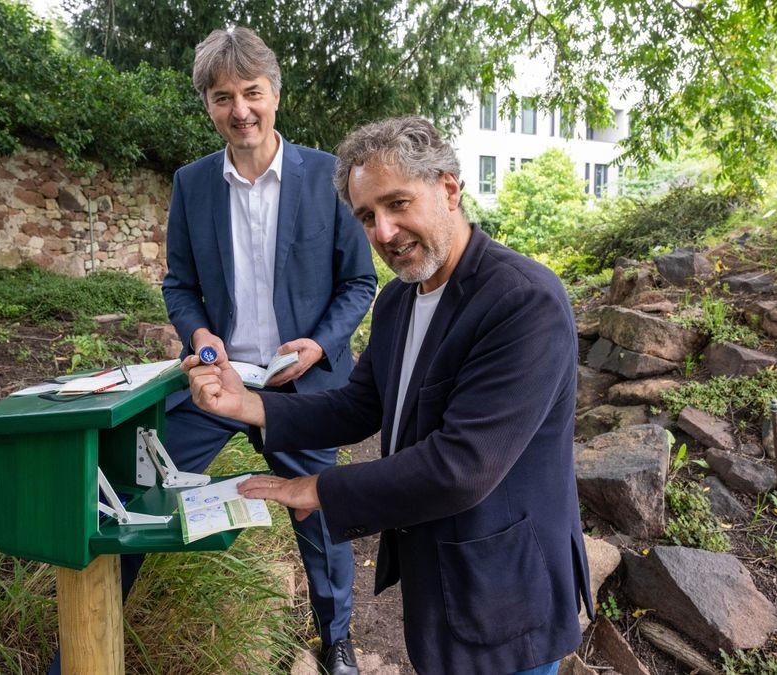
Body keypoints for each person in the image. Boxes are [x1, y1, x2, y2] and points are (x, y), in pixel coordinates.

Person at [185, 117, 593, 675]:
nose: (383, 231)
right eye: (367, 216)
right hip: (440, 578)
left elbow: (461, 467)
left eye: (398, 204)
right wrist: (246, 404)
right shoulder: (399, 300)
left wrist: (318, 488)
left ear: (449, 189)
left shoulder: (523, 301)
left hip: (505, 589)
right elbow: (361, 405)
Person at [160, 27, 376, 675]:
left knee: (319, 511)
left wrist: (321, 342)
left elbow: (359, 280)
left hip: (301, 385)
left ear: (275, 94)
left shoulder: (327, 178)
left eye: (251, 92)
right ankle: (101, 618)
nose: (240, 110)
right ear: (208, 105)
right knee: (142, 485)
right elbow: (180, 283)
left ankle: (334, 636)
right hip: (216, 382)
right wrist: (199, 336)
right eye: (223, 97)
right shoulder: (192, 184)